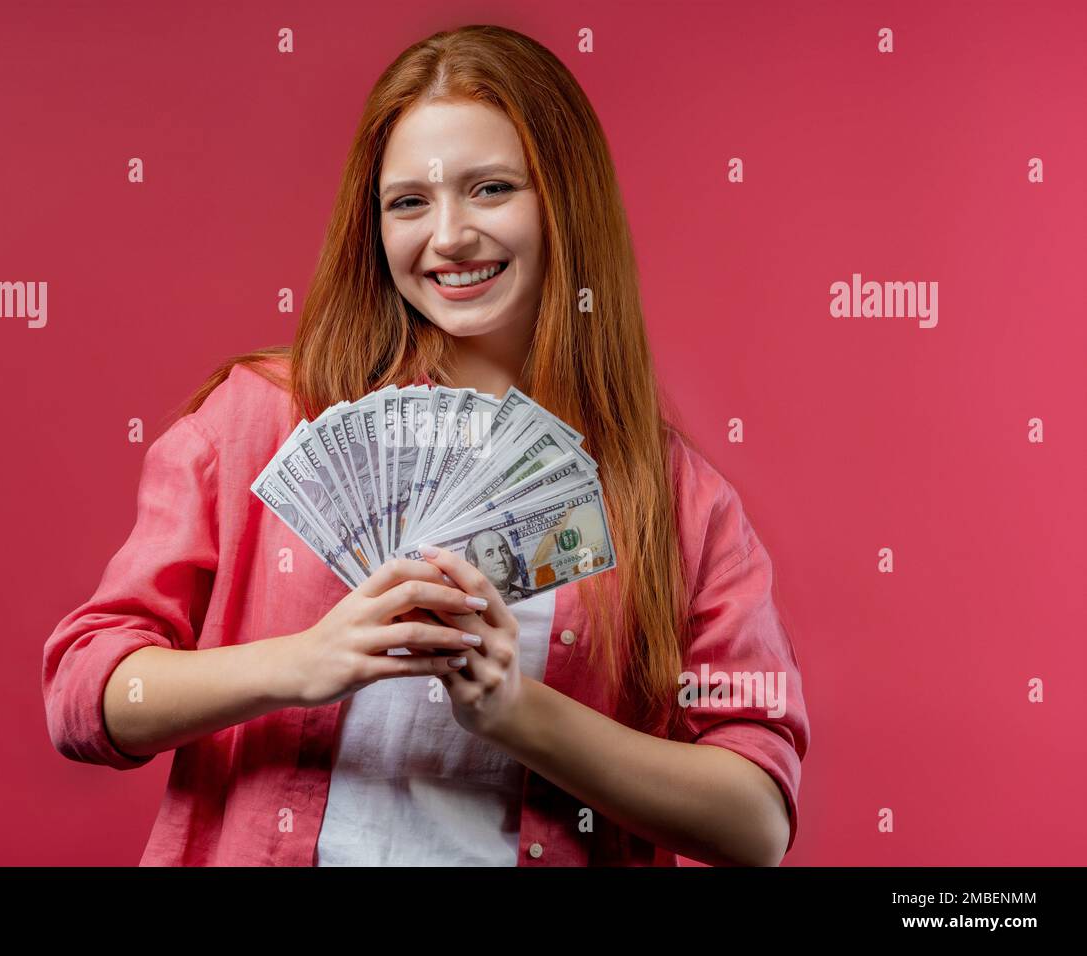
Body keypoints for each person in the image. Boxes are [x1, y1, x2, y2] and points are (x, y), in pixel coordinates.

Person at [42, 24, 809, 867]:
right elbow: (85, 694)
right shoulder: (261, 422)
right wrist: (301, 663)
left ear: (566, 201)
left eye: (489, 189)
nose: (447, 237)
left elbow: (756, 819)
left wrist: (518, 710)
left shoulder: (673, 503)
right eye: (409, 201)